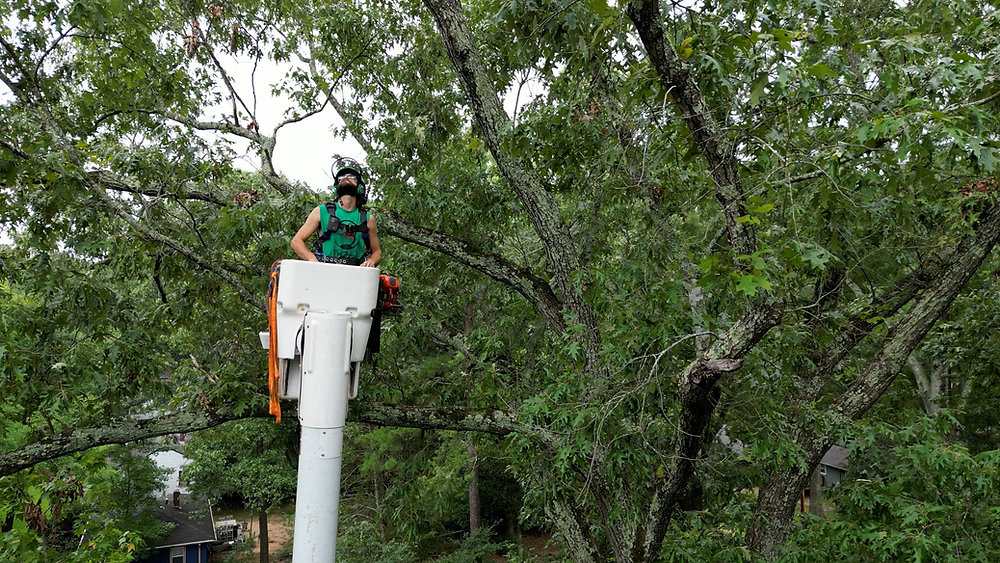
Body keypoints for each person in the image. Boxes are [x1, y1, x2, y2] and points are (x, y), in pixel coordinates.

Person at [291, 157, 382, 267]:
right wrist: (312, 259)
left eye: (351, 176)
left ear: (360, 186)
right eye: (341, 177)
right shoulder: (322, 211)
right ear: (336, 187)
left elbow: (377, 252)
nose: (345, 178)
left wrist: (372, 261)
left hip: (356, 272)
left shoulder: (367, 218)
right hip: (327, 269)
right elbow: (296, 241)